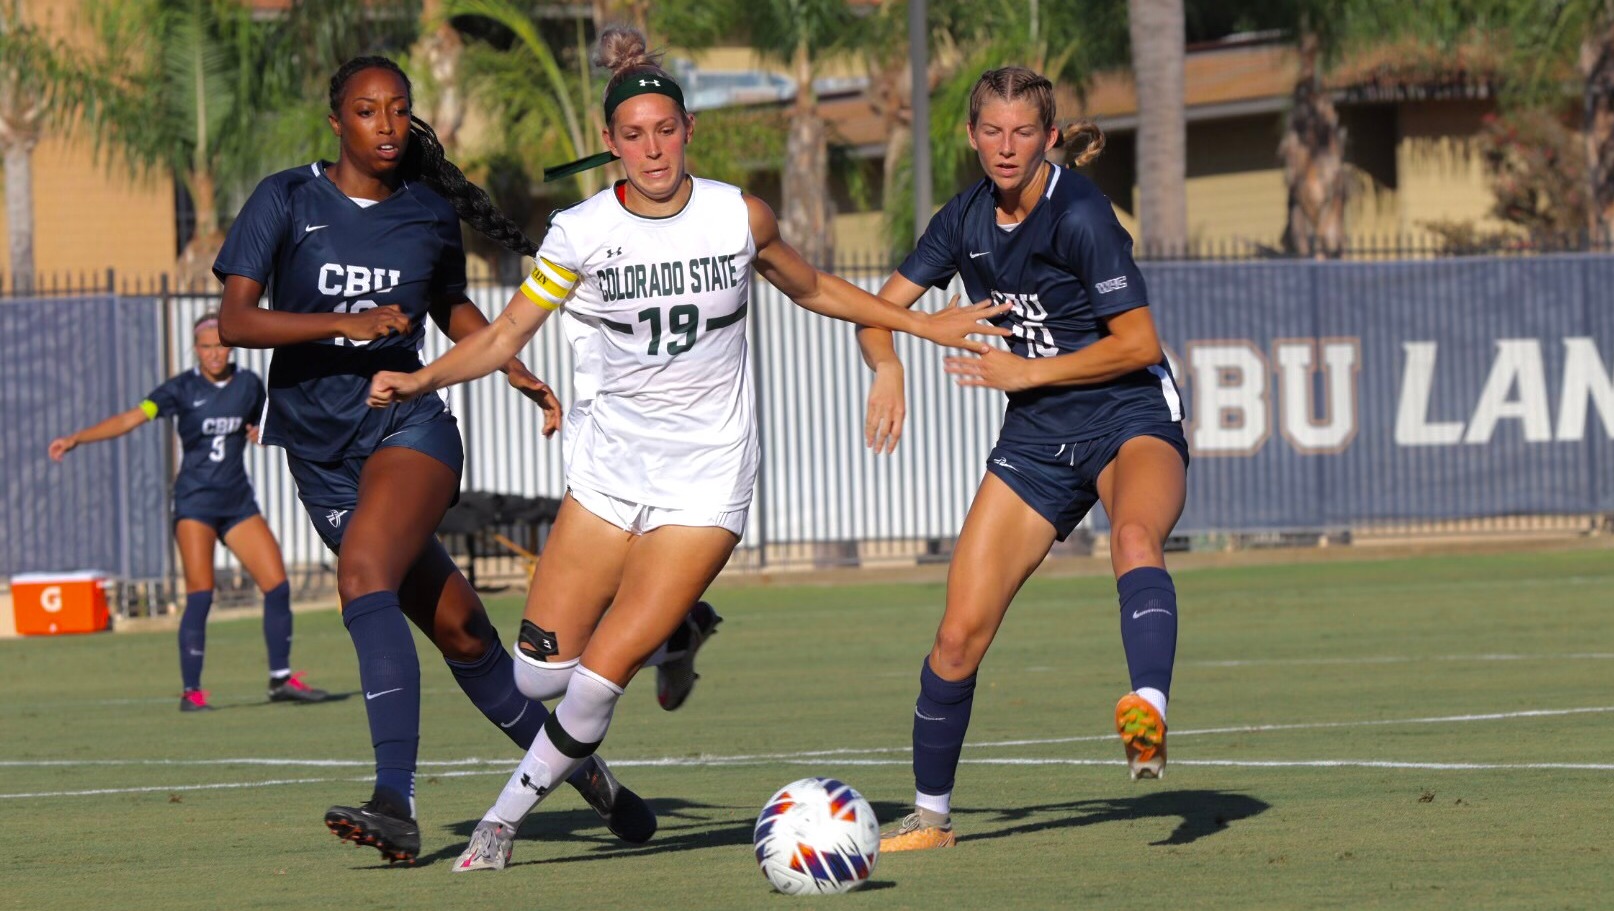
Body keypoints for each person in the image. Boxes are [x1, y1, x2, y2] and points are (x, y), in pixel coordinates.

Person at [365, 26, 1009, 873]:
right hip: (608, 474)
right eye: (633, 135)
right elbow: (505, 334)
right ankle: (681, 634)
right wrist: (421, 380)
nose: (653, 148)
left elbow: (813, 285)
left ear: (688, 132)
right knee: (534, 679)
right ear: (610, 144)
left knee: (602, 674)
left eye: (666, 130)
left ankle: (501, 819)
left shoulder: (738, 216)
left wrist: (917, 325)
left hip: (708, 478)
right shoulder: (580, 233)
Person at [213, 55, 711, 866]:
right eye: (368, 111)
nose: (386, 125)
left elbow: (452, 307)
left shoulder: (425, 211)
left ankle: (394, 801)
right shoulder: (285, 199)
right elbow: (235, 320)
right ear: (335, 120)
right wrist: (344, 325)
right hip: (319, 453)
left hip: (410, 429)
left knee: (363, 575)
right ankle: (592, 777)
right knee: (465, 634)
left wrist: (511, 367)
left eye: (399, 109)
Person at [856, 65, 1189, 851]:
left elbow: (1138, 342)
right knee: (956, 635)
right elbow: (875, 310)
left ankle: (1149, 714)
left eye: (1024, 132)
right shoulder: (963, 218)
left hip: (1127, 414)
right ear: (971, 135)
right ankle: (932, 816)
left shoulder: (1080, 213)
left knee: (1134, 539)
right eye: (993, 131)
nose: (1007, 148)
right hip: (1037, 439)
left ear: (1048, 137)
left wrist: (1026, 371)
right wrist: (890, 363)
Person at [49, 312, 327, 712]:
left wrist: (260, 432)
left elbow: (268, 423)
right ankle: (191, 692)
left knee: (277, 584)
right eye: (207, 346)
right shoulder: (180, 389)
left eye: (220, 345)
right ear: (195, 350)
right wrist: (77, 438)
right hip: (195, 503)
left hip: (237, 503)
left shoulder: (249, 385)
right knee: (200, 595)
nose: (215, 353)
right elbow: (132, 417)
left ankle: (281, 678)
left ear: (231, 347)